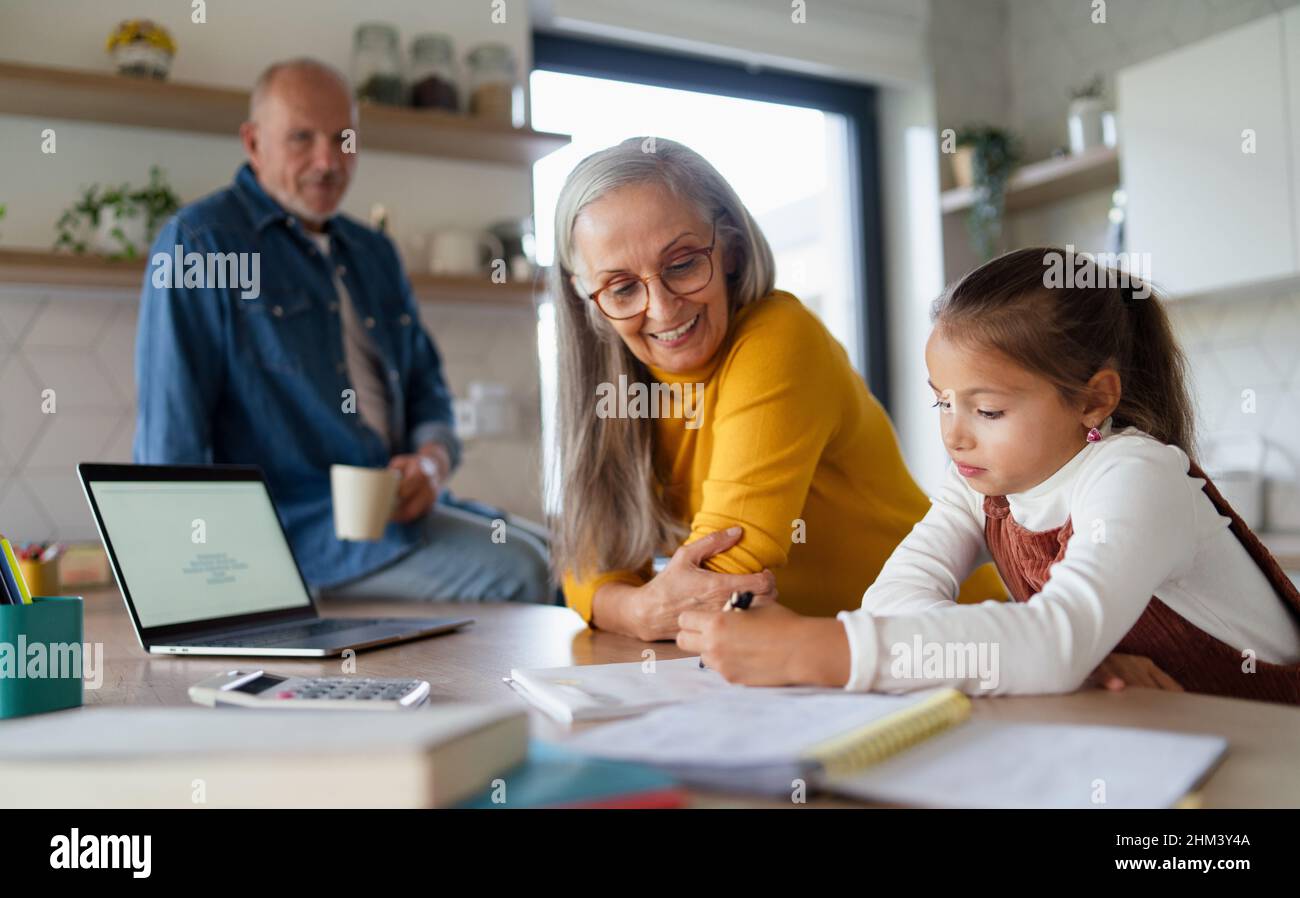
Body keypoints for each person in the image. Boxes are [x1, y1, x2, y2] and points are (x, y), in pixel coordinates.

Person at [679, 247, 1300, 704]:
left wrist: (806, 650)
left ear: (1093, 400)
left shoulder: (1135, 473)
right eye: (942, 402)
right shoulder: (981, 482)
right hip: (1167, 733)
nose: (954, 434)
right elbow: (891, 601)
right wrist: (1054, 657)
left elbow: (1051, 643)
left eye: (989, 410)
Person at [548, 136, 1006, 641]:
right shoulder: (618, 389)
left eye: (681, 264)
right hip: (816, 671)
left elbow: (721, 586)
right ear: (585, 294)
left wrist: (638, 601)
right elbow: (586, 568)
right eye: (622, 287)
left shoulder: (779, 336)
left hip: (953, 643)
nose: (661, 308)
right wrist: (635, 610)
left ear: (731, 249)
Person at [134, 58, 550, 603]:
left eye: (343, 138)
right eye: (301, 138)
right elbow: (172, 439)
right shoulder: (200, 243)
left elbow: (428, 388)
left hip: (396, 516)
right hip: (294, 541)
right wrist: (188, 590)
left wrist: (432, 460)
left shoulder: (373, 251)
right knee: (525, 570)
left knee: (564, 555)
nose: (327, 160)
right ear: (254, 143)